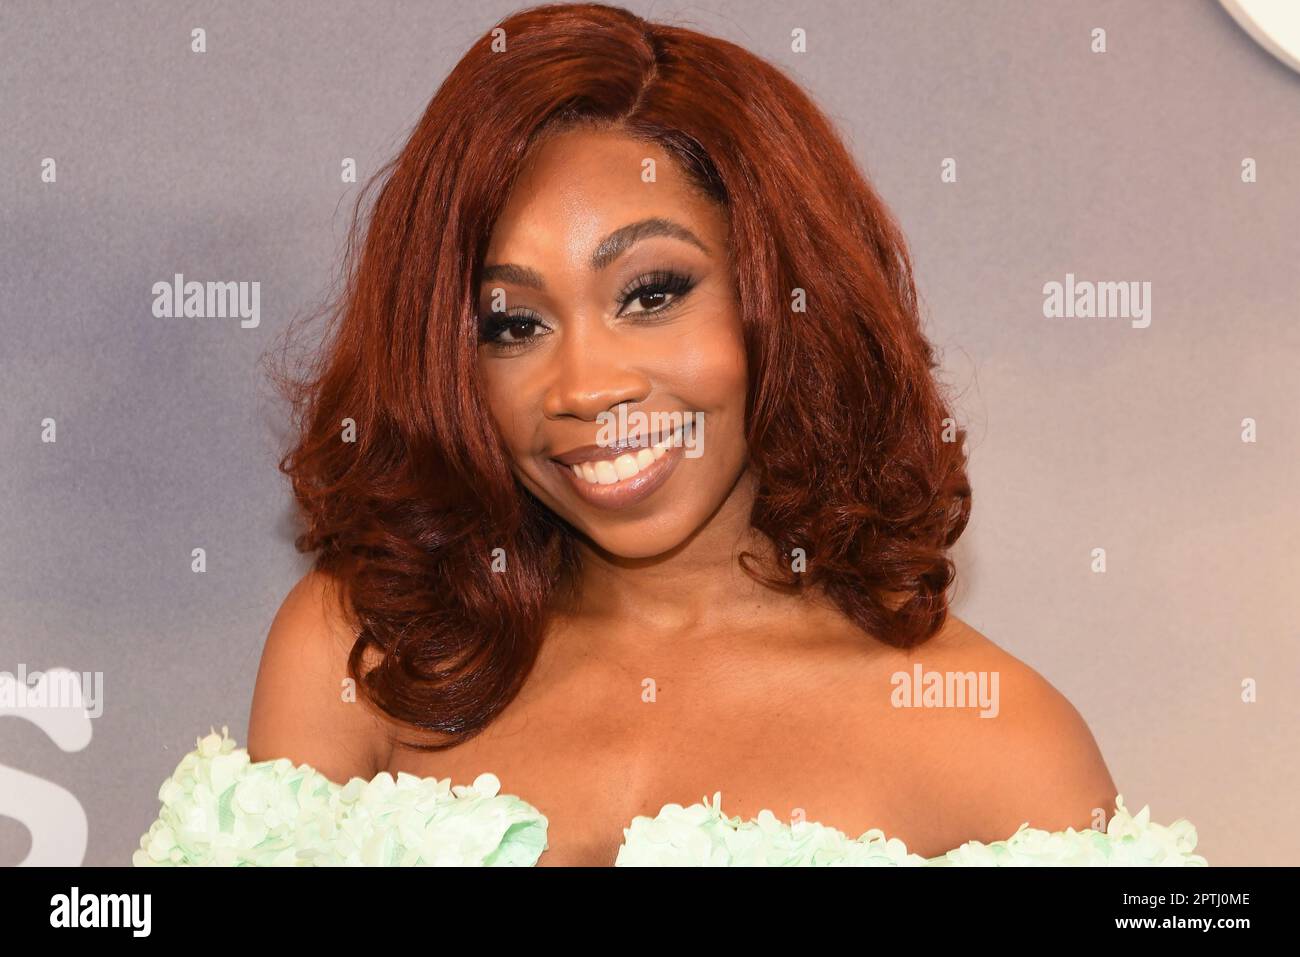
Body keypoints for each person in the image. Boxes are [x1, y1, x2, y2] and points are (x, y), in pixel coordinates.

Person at [133, 2, 1206, 867]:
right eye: (512, 322)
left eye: (651, 293)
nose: (585, 385)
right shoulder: (364, 653)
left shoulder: (997, 748)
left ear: (785, 298)